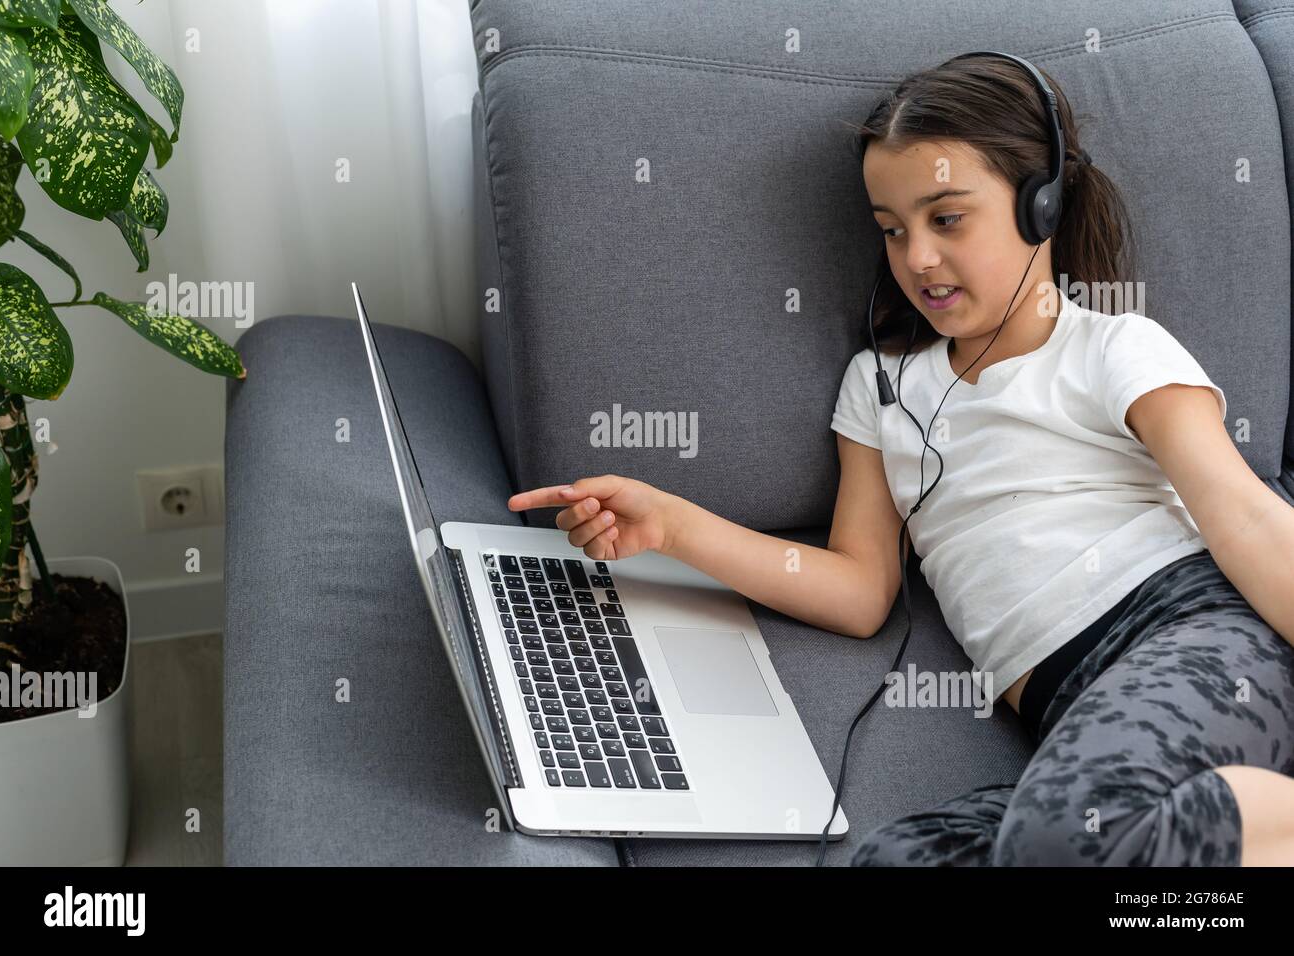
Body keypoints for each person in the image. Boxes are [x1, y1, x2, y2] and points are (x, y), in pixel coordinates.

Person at [508, 55, 1294, 866]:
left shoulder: (1113, 347)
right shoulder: (880, 387)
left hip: (1193, 633)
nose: (916, 257)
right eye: (892, 229)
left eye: (947, 219)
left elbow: (1245, 516)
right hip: (1076, 710)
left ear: (1040, 207)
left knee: (1065, 839)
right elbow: (858, 590)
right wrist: (672, 525)